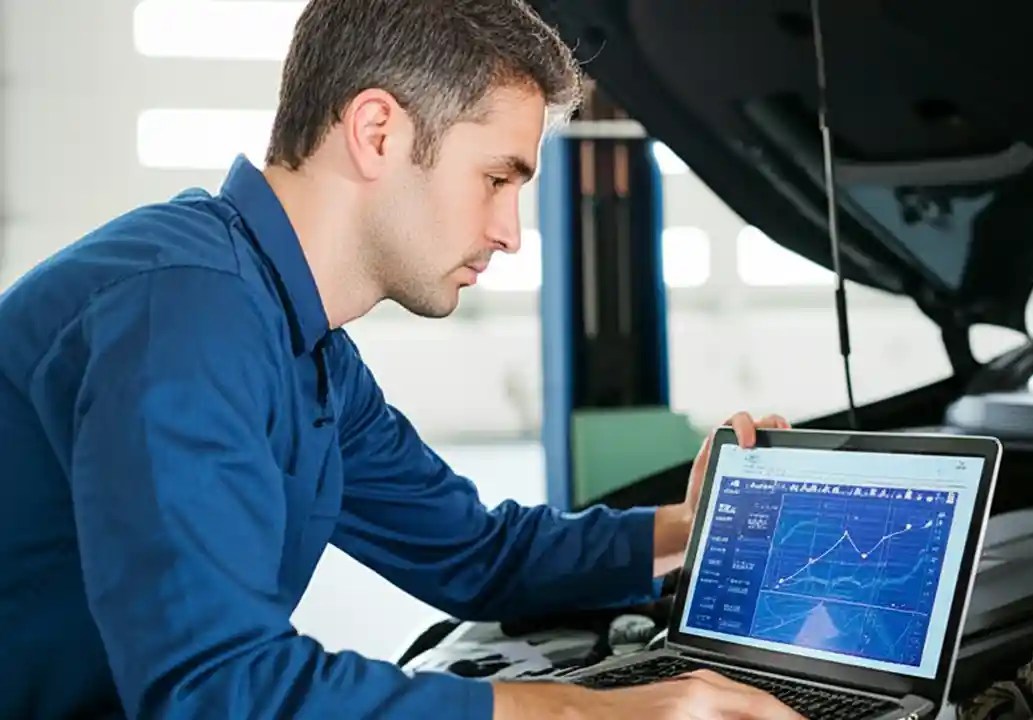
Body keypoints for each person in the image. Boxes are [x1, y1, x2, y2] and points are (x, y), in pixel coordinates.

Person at [0, 1, 810, 719]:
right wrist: (592, 714)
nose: (510, 231)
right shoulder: (183, 312)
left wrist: (699, 526)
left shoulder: (304, 347)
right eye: (496, 177)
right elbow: (221, 690)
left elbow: (479, 555)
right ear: (377, 131)